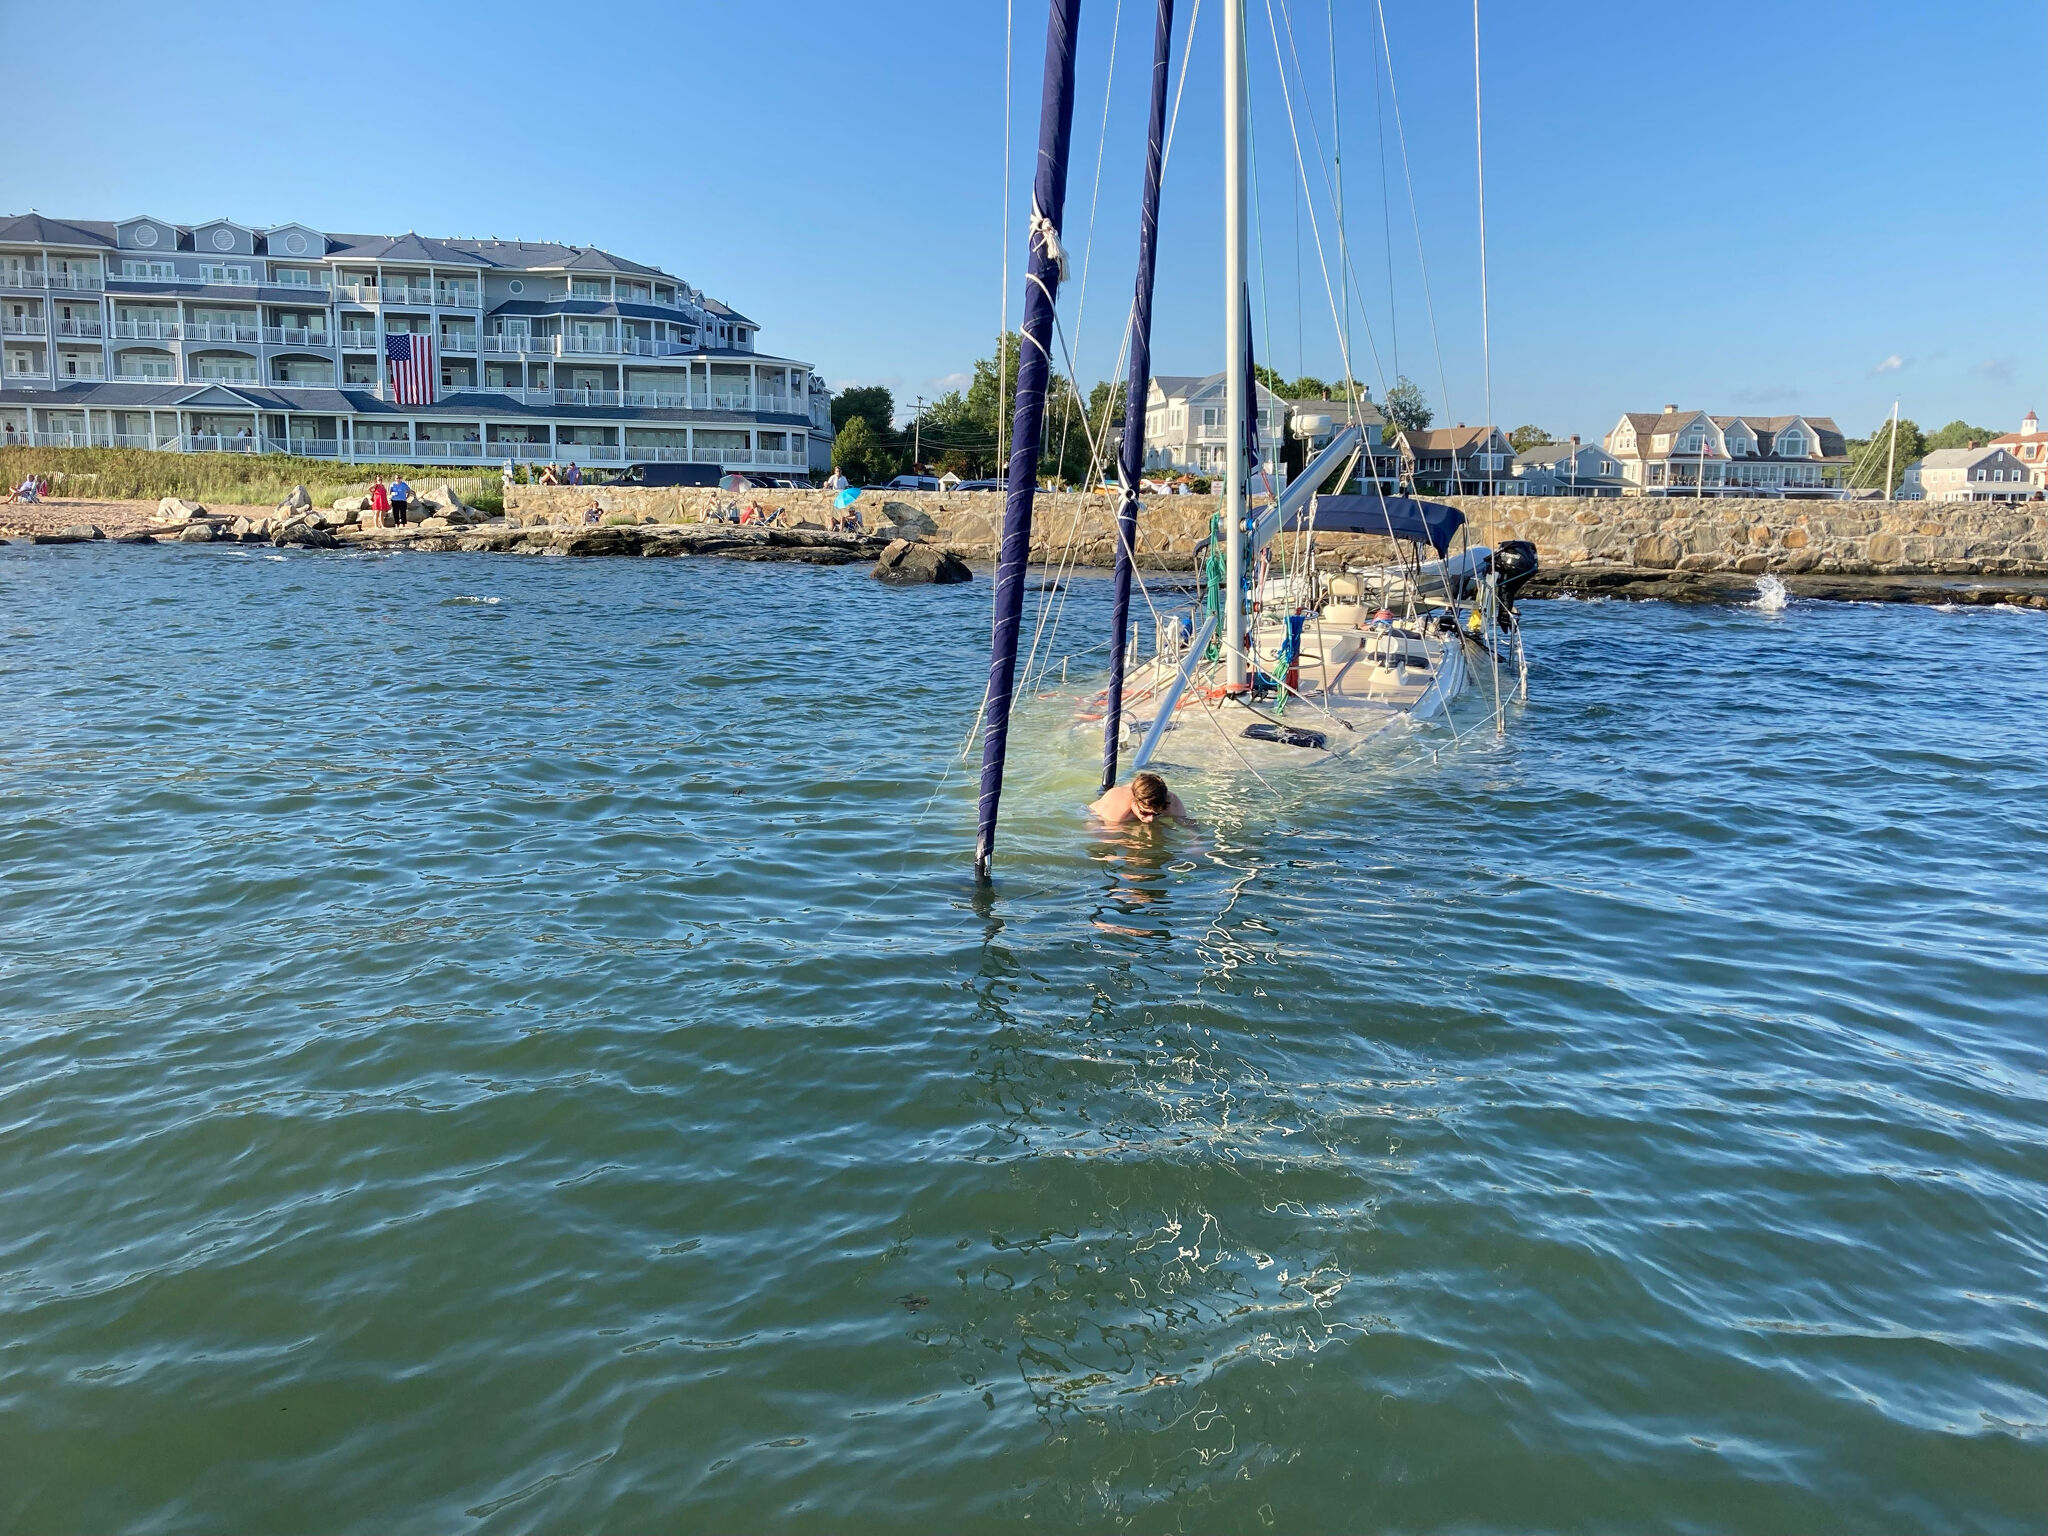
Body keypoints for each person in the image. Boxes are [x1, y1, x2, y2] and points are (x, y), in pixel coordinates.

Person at [1089, 771, 1190, 828]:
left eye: (1156, 814)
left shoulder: (1171, 801)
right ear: (1134, 802)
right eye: (1145, 813)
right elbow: (1104, 839)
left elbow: (1190, 825)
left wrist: (1197, 844)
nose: (1151, 819)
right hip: (1093, 814)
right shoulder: (1117, 812)